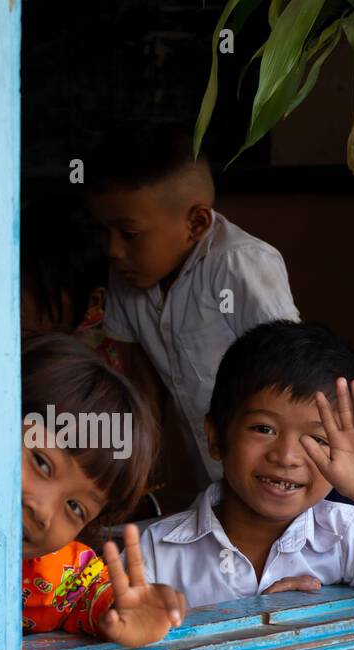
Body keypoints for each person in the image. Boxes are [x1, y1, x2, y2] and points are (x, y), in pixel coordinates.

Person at [135, 321, 354, 620]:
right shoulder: (154, 552)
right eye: (264, 429)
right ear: (215, 438)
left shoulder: (343, 536)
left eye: (318, 439)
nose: (287, 456)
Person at [86, 124, 299, 486]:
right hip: (211, 478)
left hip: (273, 476)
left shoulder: (240, 264)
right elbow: (139, 386)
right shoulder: (127, 277)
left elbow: (291, 377)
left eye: (130, 233)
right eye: (103, 231)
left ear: (196, 223)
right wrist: (128, 475)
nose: (113, 249)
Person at [20, 334, 187, 649]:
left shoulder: (56, 574)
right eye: (41, 463)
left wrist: (129, 613)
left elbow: (92, 593)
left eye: (75, 507)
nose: (43, 510)